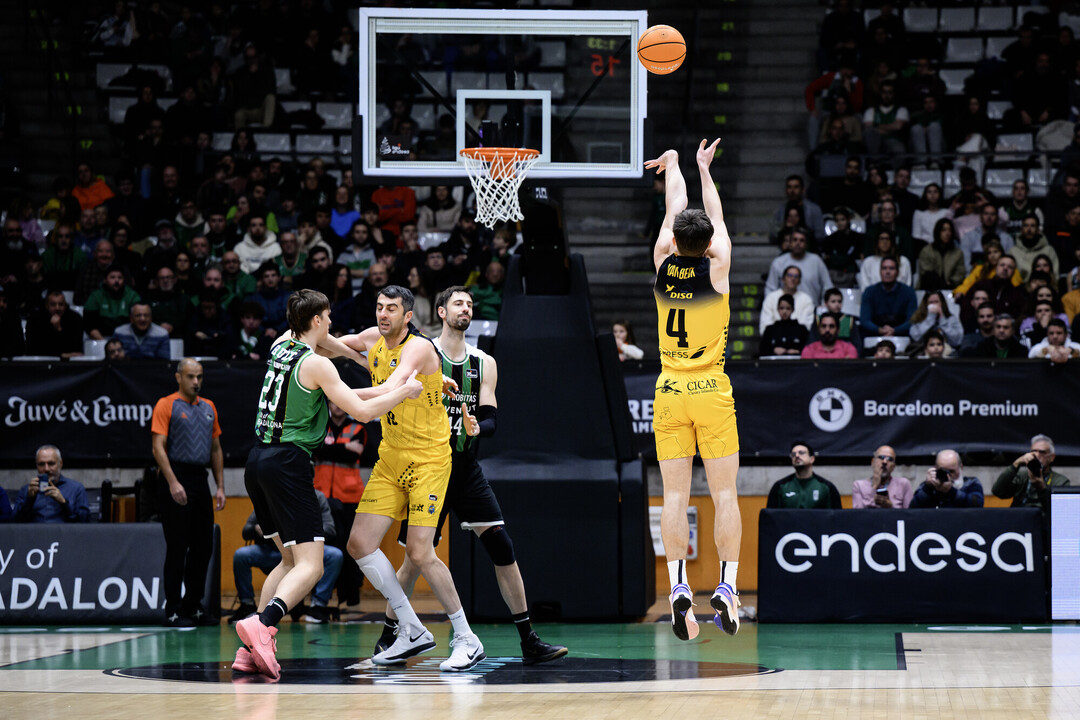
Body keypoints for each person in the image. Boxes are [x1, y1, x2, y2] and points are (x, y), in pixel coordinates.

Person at [372, 287, 568, 665]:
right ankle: (389, 635)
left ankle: (529, 639)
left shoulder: (484, 362)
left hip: (463, 467)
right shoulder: (424, 352)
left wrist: (480, 425)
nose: (467, 309)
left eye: (471, 305)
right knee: (415, 557)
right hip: (428, 464)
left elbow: (492, 416)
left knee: (502, 547)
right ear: (442, 311)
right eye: (459, 303)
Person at [233, 289, 422, 680]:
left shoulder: (280, 343)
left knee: (287, 561)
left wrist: (355, 356)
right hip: (289, 464)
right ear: (317, 320)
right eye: (328, 317)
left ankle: (248, 648)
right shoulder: (316, 365)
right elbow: (363, 410)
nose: (333, 324)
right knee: (312, 566)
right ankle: (263, 624)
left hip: (257, 461)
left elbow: (332, 349)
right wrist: (403, 391)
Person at [644, 140, 742, 641]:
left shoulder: (663, 262)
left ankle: (678, 585)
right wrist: (704, 169)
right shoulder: (717, 266)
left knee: (674, 496)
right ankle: (726, 588)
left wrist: (675, 165)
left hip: (669, 388)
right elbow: (715, 220)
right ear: (707, 246)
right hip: (711, 388)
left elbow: (672, 211)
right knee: (723, 491)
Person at [151, 359, 226, 627]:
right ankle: (172, 608)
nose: (196, 382)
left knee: (203, 546)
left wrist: (219, 486)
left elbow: (216, 450)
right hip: (175, 476)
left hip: (199, 479)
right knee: (177, 547)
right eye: (191, 376)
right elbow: (158, 447)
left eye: (200, 377)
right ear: (178, 377)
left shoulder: (209, 407)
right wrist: (172, 482)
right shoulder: (166, 404)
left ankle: (193, 606)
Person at [229, 489, 344, 625]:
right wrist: (257, 528)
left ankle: (318, 605)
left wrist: (305, 531)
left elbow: (330, 528)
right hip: (272, 550)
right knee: (241, 556)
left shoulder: (316, 496)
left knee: (335, 555)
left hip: (305, 548)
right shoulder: (272, 493)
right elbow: (246, 530)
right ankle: (247, 605)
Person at [993, 434, 1071, 517]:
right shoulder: (1022, 476)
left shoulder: (1061, 481)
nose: (1037, 455)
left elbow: (1059, 511)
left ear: (1051, 457)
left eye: (1042, 452)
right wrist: (1016, 464)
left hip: (1043, 523)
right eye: (1033, 452)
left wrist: (1041, 488)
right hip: (1018, 520)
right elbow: (998, 491)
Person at [11, 445, 90, 523]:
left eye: (51, 463)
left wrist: (64, 502)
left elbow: (85, 520)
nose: (46, 469)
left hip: (65, 534)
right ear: (36, 465)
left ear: (60, 463)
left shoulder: (76, 489)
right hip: (35, 534)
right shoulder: (26, 490)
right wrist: (29, 500)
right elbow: (14, 523)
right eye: (41, 464)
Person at [763, 227, 832, 305]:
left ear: (806, 244)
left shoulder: (816, 261)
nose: (798, 243)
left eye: (801, 240)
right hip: (785, 313)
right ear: (790, 243)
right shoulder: (779, 262)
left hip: (812, 310)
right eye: (795, 240)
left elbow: (828, 287)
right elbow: (770, 289)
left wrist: (823, 309)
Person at [766, 442, 842, 509]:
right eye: (793, 454)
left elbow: (837, 519)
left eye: (801, 453)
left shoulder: (827, 487)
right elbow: (771, 519)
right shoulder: (780, 487)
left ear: (812, 459)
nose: (797, 456)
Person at [860, 256, 917, 338]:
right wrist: (879, 330)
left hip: (901, 335)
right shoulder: (870, 292)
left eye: (891, 268)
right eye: (884, 268)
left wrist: (895, 330)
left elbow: (911, 320)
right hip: (875, 335)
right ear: (880, 272)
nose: (887, 272)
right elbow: (865, 320)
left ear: (897, 272)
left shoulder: (908, 292)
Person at [911, 450, 985, 508]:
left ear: (960, 467)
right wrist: (927, 488)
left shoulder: (971, 483)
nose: (947, 475)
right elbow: (913, 508)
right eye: (942, 471)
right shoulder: (928, 486)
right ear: (935, 468)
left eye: (951, 471)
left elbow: (977, 506)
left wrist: (951, 492)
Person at [84, 265, 141, 340]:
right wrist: (104, 343)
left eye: (120, 278)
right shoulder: (95, 297)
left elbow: (138, 321)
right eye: (112, 277)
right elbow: (89, 325)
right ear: (105, 280)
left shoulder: (132, 296)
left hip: (127, 338)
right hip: (101, 338)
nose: (117, 281)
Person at [24, 290, 85, 358]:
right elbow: (34, 348)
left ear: (65, 305)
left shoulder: (75, 318)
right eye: (53, 304)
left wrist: (59, 329)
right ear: (46, 306)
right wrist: (61, 355)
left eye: (61, 304)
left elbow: (75, 347)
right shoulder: (35, 320)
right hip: (42, 361)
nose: (57, 308)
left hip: (69, 362)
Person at [759, 265, 815, 334]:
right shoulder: (771, 298)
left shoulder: (806, 299)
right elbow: (765, 325)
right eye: (789, 275)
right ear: (783, 279)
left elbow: (806, 326)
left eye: (796, 276)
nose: (792, 279)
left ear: (799, 281)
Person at [917, 218, 966, 291]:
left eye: (950, 230)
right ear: (938, 232)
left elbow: (960, 273)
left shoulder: (958, 253)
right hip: (929, 288)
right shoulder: (927, 250)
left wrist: (950, 282)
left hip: (951, 288)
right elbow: (926, 272)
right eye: (944, 230)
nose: (947, 233)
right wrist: (941, 283)